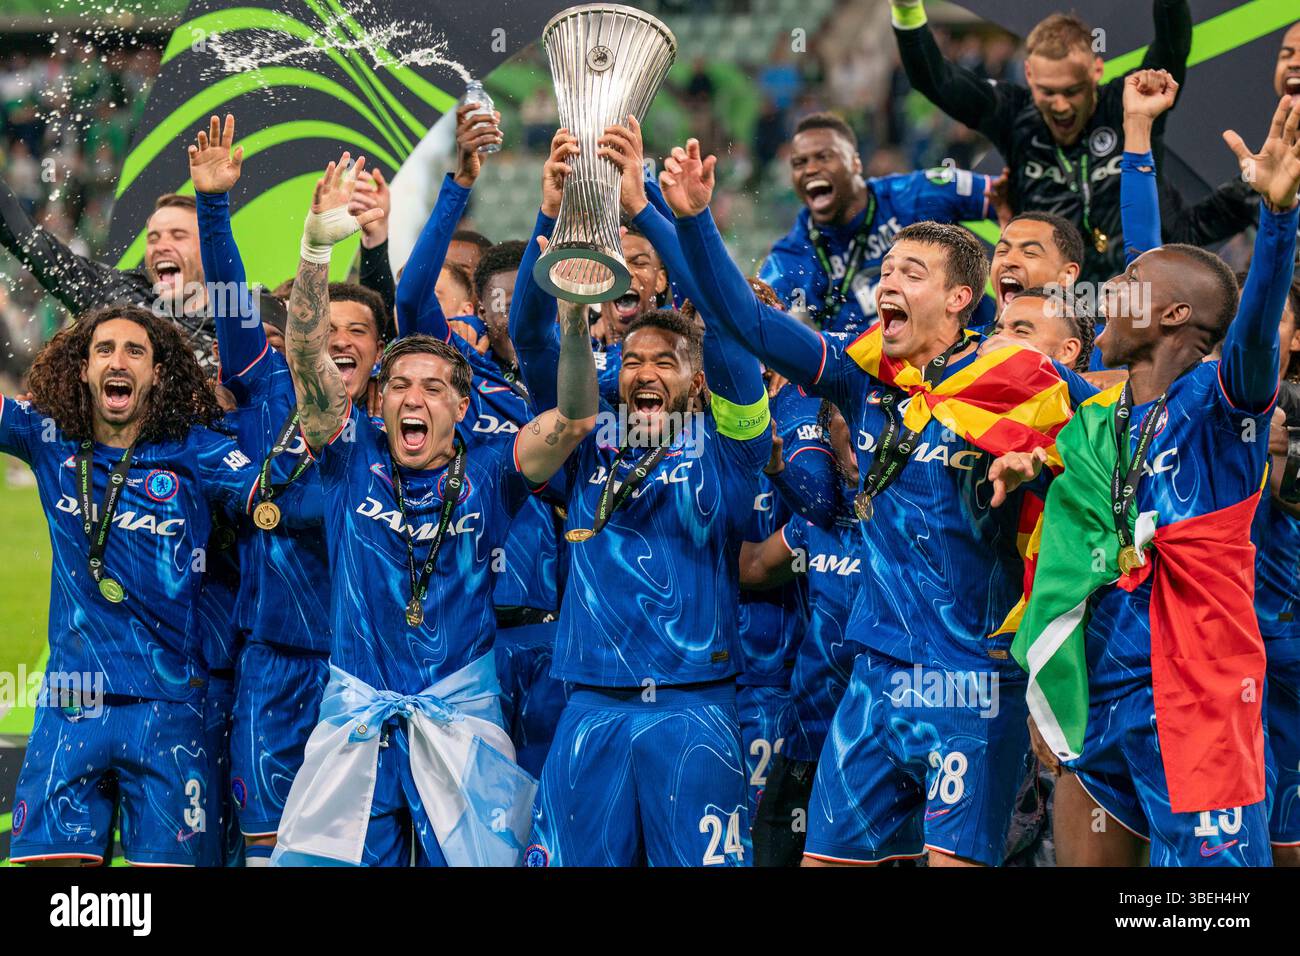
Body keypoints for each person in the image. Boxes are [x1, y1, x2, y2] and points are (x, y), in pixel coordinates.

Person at [664, 137, 1074, 866]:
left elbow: (1094, 457)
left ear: (958, 298)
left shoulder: (1023, 382)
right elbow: (749, 324)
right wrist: (693, 220)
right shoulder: (865, 381)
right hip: (874, 682)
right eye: (884, 270)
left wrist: (1036, 467)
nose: (888, 283)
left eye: (910, 273)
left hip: (972, 683)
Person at [997, 93, 1300, 867]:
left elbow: (1255, 324)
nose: (1111, 285)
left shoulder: (1214, 406)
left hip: (1196, 693)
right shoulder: (1111, 417)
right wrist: (1134, 140)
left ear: (1169, 316)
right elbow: (1150, 252)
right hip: (1111, 693)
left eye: (1128, 280)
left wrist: (1279, 220)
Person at [270, 150, 594, 867]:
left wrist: (573, 329)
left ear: (460, 404)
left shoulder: (493, 471)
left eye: (432, 386)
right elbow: (304, 356)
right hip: (356, 717)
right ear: (379, 403)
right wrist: (317, 247)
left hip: (463, 719)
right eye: (400, 386)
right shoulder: (349, 455)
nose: (413, 397)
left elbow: (572, 421)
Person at [522, 139, 773, 868]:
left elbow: (727, 326)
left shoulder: (730, 446)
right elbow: (539, 344)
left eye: (666, 360)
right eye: (632, 359)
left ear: (698, 384)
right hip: (588, 705)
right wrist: (553, 220)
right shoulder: (583, 440)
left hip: (694, 707)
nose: (646, 370)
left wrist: (653, 209)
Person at [3, 304, 258, 865]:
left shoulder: (196, 450)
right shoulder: (48, 439)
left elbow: (279, 499)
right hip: (74, 697)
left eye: (135, 351)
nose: (118, 361)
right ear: (83, 371)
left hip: (169, 704)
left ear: (158, 373)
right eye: (104, 350)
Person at [188, 114, 344, 864]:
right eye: (321, 327)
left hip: (358, 664)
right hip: (270, 655)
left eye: (356, 331)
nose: (336, 340)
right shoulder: (264, 380)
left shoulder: (386, 417)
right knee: (268, 846)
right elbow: (227, 297)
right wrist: (212, 207)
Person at [890, 1, 1192, 285]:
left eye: (1072, 91)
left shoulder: (1129, 104)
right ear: (1029, 75)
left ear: (1096, 71)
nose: (1060, 105)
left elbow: (1172, 46)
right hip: (1049, 305)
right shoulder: (1013, 115)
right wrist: (906, 11)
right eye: (1047, 92)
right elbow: (937, 80)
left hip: (1133, 298)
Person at [743, 400, 867, 866]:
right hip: (810, 735)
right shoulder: (817, 518)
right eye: (845, 419)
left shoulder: (915, 513)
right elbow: (754, 567)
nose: (859, 431)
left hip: (889, 737)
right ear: (826, 434)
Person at [759, 111, 999, 338]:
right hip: (866, 376)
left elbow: (1011, 196)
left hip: (969, 358)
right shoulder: (791, 256)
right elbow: (756, 313)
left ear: (855, 163)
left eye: (824, 157)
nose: (810, 169)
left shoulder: (916, 194)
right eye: (799, 163)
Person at [1251, 277, 1300, 867]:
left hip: (1284, 645)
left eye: (1271, 320)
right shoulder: (1183, 406)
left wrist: (1283, 455)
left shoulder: (1294, 405)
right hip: (1196, 653)